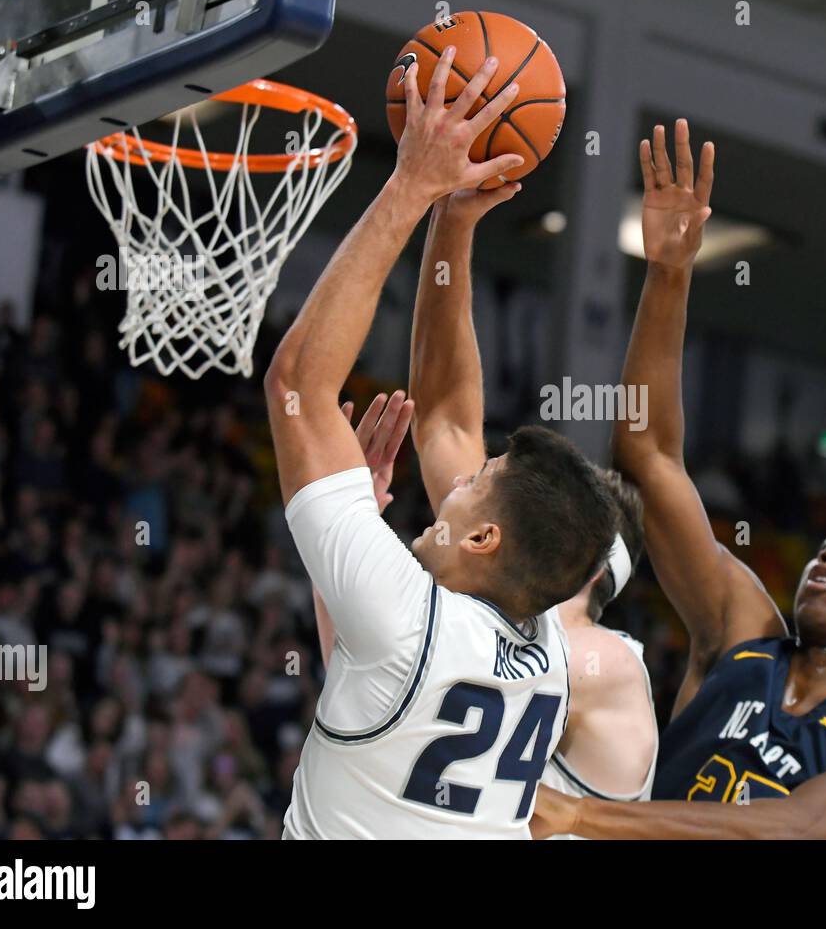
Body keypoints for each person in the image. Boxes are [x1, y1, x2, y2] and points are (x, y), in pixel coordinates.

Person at [531, 120, 826, 839]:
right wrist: (669, 272)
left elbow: (796, 830)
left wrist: (582, 816)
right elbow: (650, 456)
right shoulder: (740, 630)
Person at [265, 48, 618, 838]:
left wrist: (413, 185)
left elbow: (296, 385)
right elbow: (450, 419)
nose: (450, 481)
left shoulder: (406, 618)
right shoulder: (546, 653)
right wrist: (454, 226)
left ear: (488, 536)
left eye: (470, 484)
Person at [313, 180, 658, 823]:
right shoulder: (514, 616)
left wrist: (353, 525)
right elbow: (443, 419)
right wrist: (454, 221)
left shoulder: (604, 663)